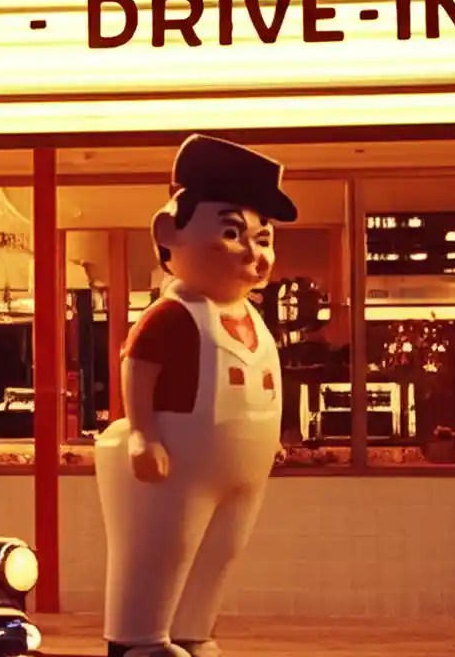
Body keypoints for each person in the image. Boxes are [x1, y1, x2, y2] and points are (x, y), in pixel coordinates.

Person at [94, 134, 298, 657]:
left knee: (220, 551)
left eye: (264, 238)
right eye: (232, 233)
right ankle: (140, 637)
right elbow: (137, 366)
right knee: (164, 547)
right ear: (170, 232)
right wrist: (143, 432)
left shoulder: (250, 317)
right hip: (178, 460)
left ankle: (192, 629)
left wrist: (269, 441)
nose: (254, 254)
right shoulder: (173, 314)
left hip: (242, 467)